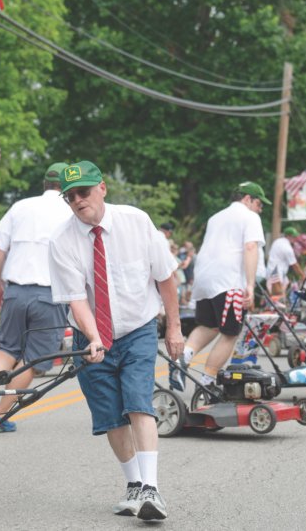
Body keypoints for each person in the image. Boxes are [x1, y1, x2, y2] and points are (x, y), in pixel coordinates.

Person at [47, 161, 183, 521]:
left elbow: (166, 278)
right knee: (111, 417)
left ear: (103, 188)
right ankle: (134, 486)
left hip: (137, 328)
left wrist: (174, 328)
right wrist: (93, 337)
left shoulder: (136, 222)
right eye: (70, 196)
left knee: (139, 403)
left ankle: (152, 489)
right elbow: (77, 300)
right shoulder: (62, 242)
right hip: (91, 337)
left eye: (84, 192)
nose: (78, 201)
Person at [0, 162, 72, 433]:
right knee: (31, 361)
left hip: (16, 290)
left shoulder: (21, 206)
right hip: (50, 294)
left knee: (6, 348)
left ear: (44, 184)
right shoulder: (71, 211)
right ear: (68, 187)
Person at [172, 181, 268, 396]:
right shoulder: (250, 216)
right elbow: (250, 247)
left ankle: (182, 358)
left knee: (209, 325)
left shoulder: (215, 218)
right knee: (230, 333)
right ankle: (207, 383)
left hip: (204, 279)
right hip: (229, 280)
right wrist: (250, 286)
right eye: (259, 204)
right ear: (247, 199)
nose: (260, 209)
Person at [266, 226, 304, 296]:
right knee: (277, 297)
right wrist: (303, 276)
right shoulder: (287, 248)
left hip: (272, 270)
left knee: (285, 284)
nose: (295, 239)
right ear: (288, 236)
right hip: (277, 273)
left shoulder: (277, 241)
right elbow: (295, 265)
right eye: (294, 237)